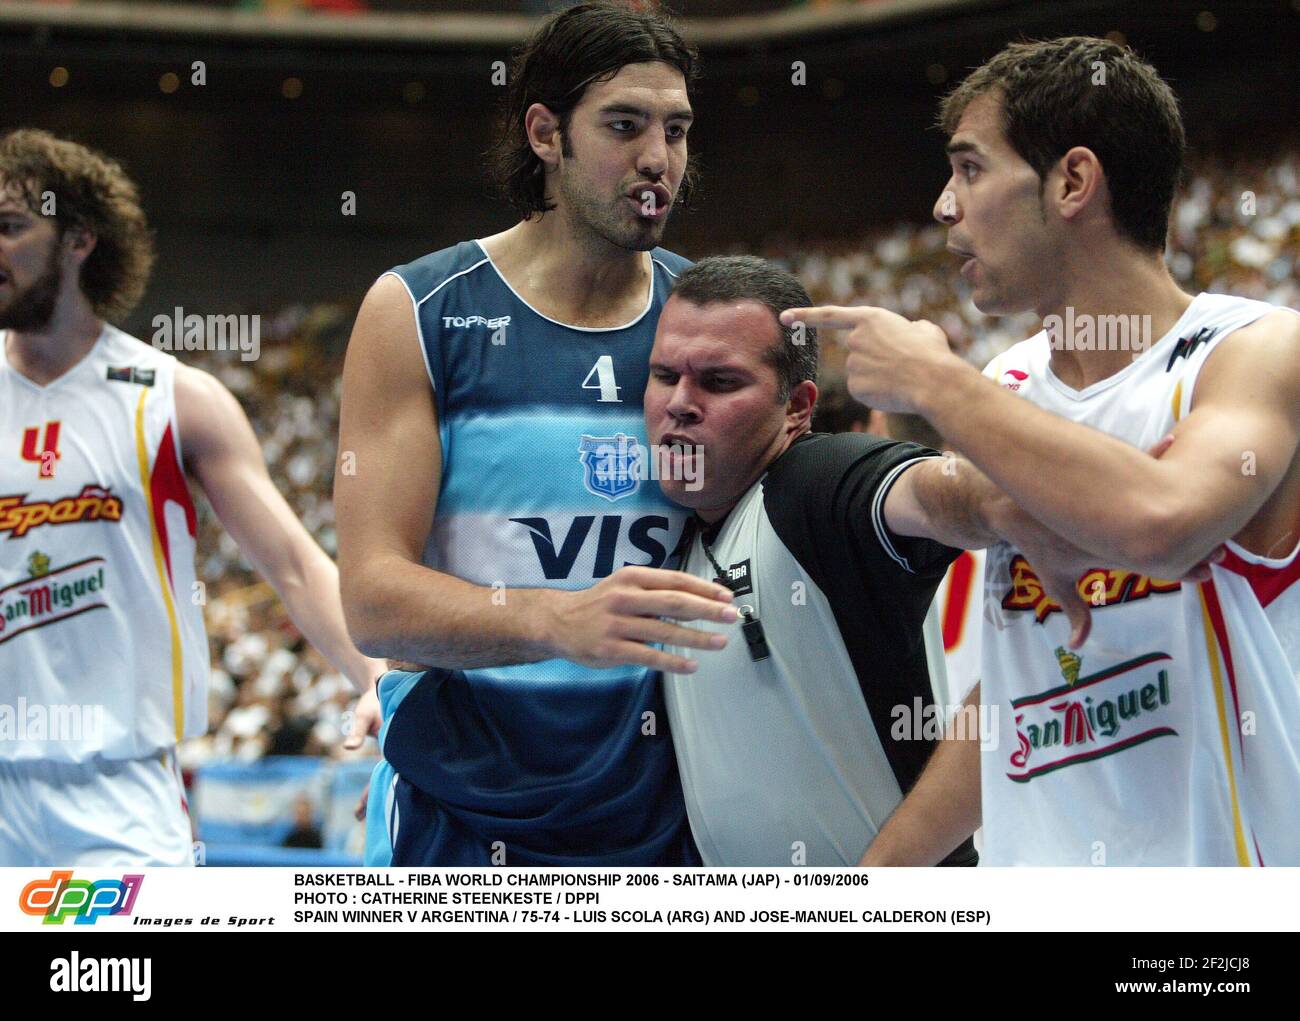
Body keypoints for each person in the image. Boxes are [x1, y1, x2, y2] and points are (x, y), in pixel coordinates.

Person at [784, 37, 1300, 865]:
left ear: (1072, 182)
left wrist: (934, 380)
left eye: (970, 169)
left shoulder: (1251, 350)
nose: (945, 206)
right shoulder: (1009, 381)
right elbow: (1028, 691)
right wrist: (874, 881)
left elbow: (1162, 523)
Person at [336, 2, 736, 866]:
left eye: (677, 129)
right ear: (545, 134)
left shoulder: (710, 319)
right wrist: (557, 621)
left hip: (666, 824)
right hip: (460, 825)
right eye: (624, 126)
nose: (658, 159)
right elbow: (371, 600)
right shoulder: (421, 311)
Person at [0, 129, 386, 866]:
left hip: (117, 801)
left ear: (80, 240)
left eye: (12, 227)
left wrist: (381, 684)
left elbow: (297, 567)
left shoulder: (175, 399)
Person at [645, 254, 1064, 866]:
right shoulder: (676, 534)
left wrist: (1005, 492)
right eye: (663, 375)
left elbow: (941, 493)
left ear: (797, 407)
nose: (680, 402)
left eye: (719, 381)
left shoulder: (812, 486)